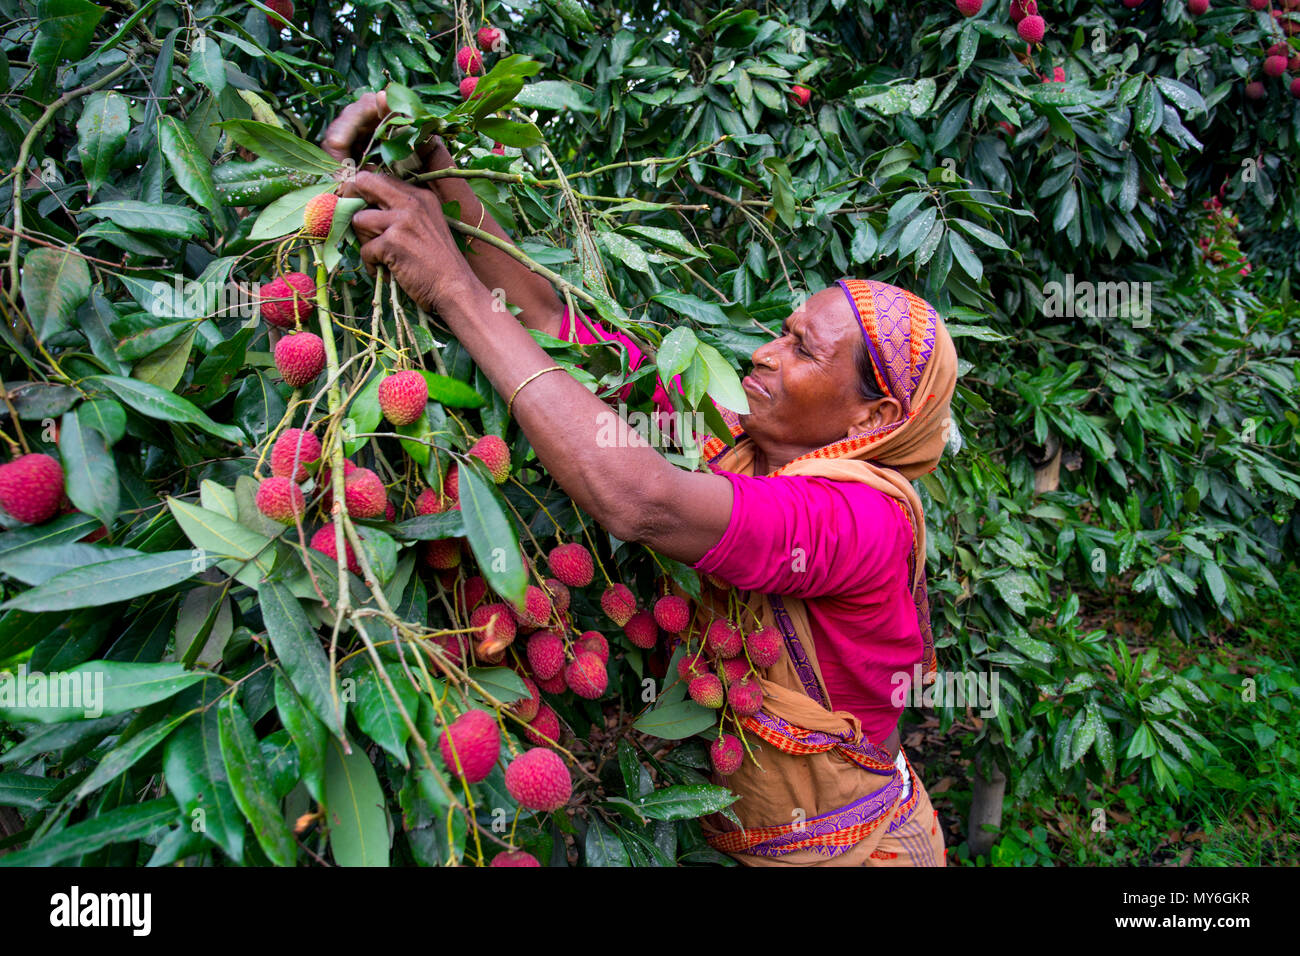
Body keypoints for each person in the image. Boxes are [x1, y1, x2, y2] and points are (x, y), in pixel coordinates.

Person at [322, 94, 958, 866]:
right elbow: (554, 324)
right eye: (780, 332)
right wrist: (438, 172)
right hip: (740, 836)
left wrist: (450, 289)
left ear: (873, 417)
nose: (763, 353)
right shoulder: (740, 433)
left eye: (801, 351)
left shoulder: (865, 521)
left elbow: (642, 498)